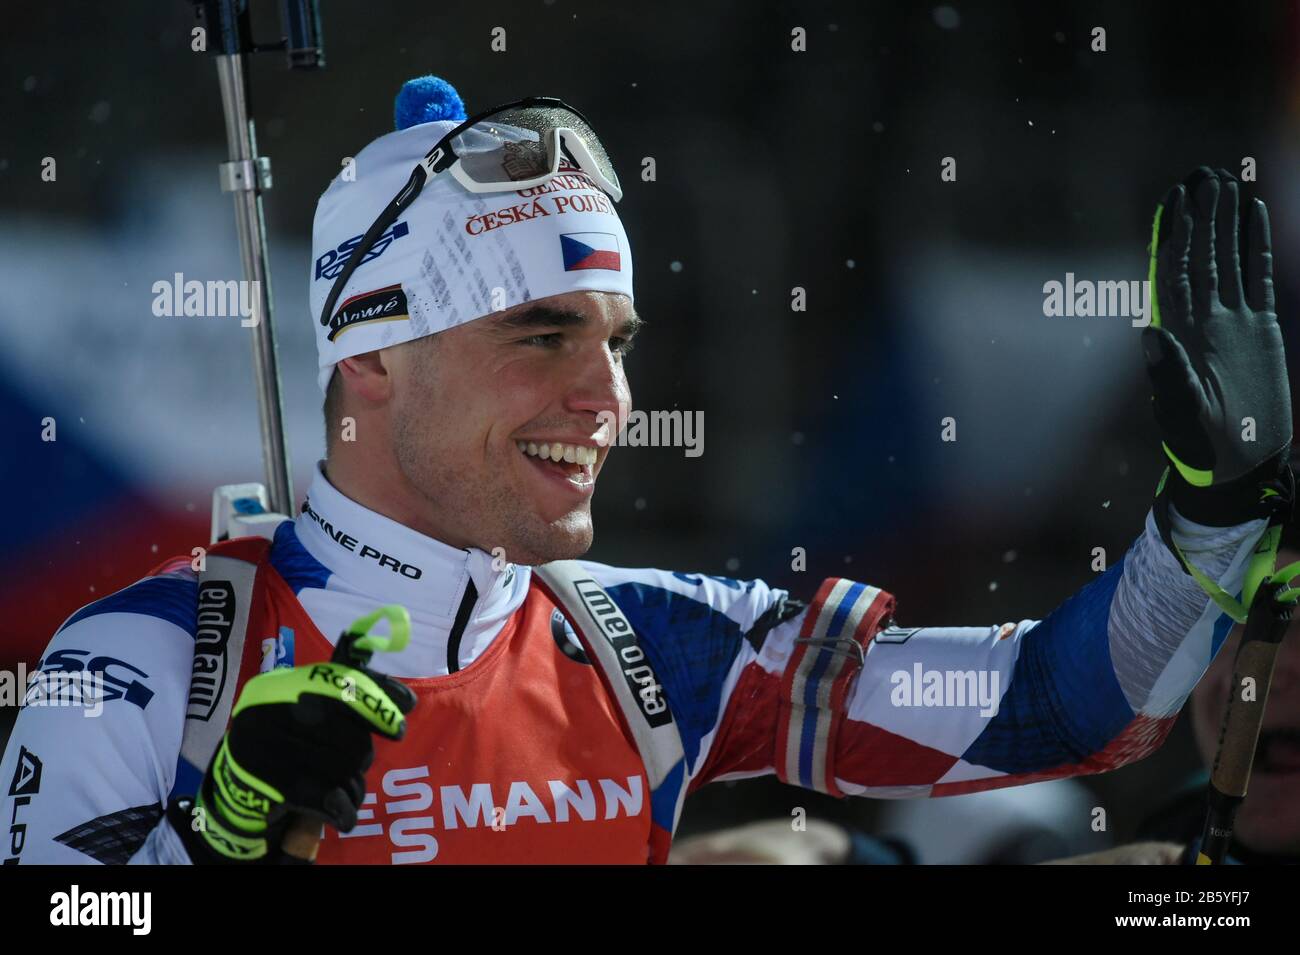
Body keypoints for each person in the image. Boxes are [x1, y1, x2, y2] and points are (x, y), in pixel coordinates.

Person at [0, 76, 1291, 865]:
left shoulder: (659, 647)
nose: (609, 397)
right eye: (542, 334)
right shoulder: (146, 662)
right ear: (373, 358)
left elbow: (1048, 709)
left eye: (616, 343)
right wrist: (211, 845)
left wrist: (1211, 521)